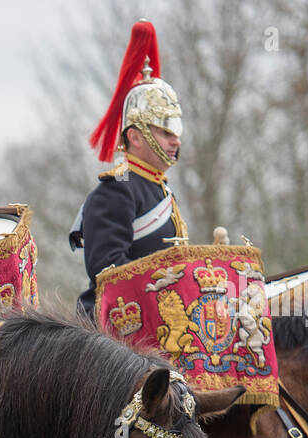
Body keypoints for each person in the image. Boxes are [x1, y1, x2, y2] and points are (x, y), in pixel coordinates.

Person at [69, 20, 188, 317]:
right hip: (122, 324)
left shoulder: (159, 188)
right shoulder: (116, 190)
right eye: (165, 132)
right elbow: (108, 272)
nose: (175, 140)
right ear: (135, 136)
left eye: (176, 131)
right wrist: (168, 284)